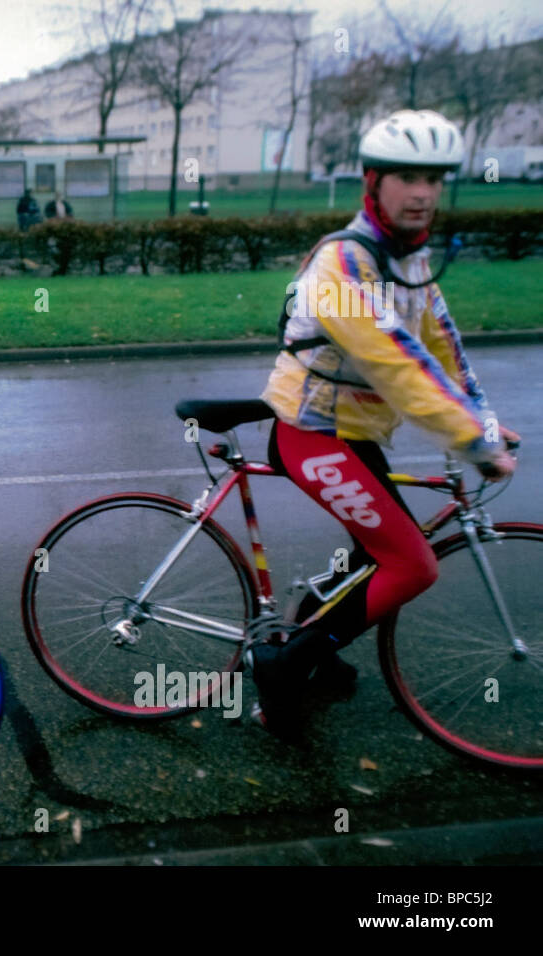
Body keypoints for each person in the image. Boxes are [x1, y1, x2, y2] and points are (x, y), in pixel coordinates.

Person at [251, 109, 519, 740]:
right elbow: (392, 358)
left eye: (434, 178)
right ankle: (285, 667)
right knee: (414, 565)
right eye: (406, 176)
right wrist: (471, 440)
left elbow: (441, 348)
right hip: (311, 434)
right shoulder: (342, 263)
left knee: (380, 552)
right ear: (372, 181)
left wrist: (482, 419)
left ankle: (313, 640)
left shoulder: (412, 261)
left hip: (357, 435)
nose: (423, 193)